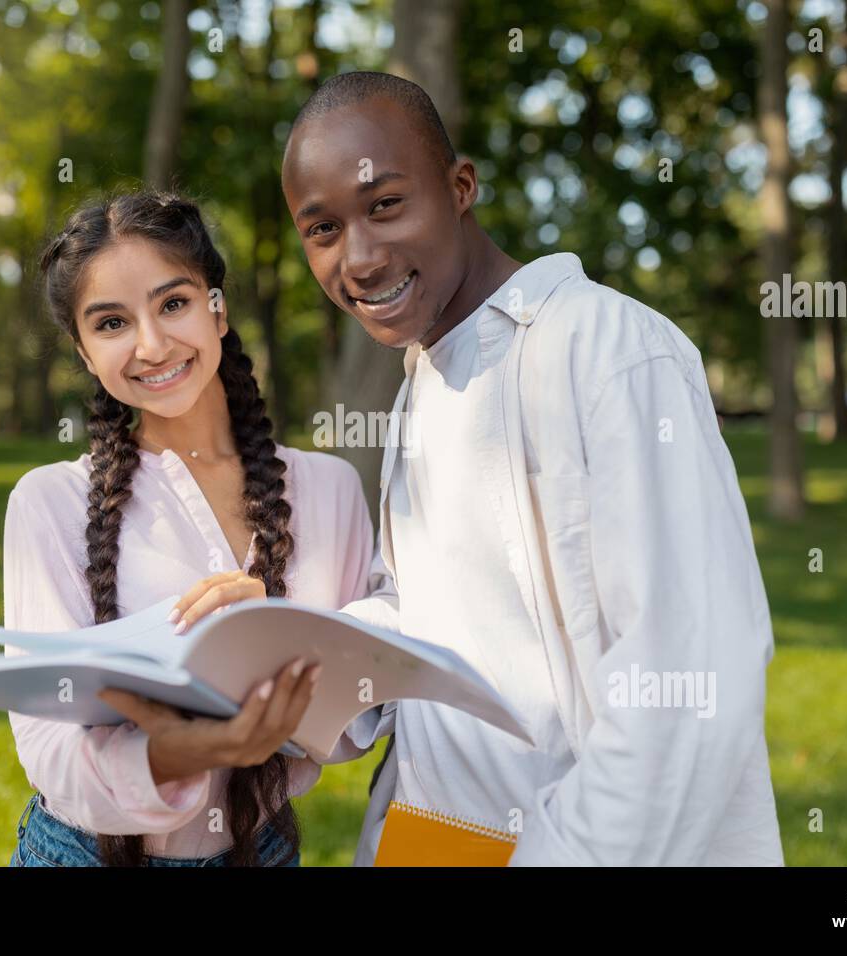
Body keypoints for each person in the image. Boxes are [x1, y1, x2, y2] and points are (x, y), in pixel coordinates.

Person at [279, 71, 786, 865]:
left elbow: (687, 682)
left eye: (385, 206)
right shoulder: (423, 380)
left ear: (461, 186)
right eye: (322, 230)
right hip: (427, 842)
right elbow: (435, 619)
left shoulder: (608, 350)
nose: (362, 258)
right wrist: (278, 657)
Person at [3, 190, 376, 867]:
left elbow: (355, 731)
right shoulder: (48, 503)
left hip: (258, 851)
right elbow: (48, 751)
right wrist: (180, 753)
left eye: (173, 304)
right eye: (111, 323)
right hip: (84, 854)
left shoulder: (330, 491)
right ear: (86, 354)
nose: (152, 344)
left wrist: (280, 636)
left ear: (217, 308)